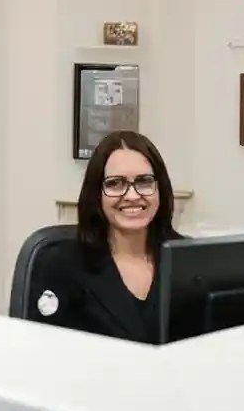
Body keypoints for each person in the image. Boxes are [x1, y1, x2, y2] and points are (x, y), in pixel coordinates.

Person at [26, 130, 182, 344]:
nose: (132, 195)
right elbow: (42, 352)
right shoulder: (59, 264)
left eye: (144, 181)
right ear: (96, 193)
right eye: (115, 183)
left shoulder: (189, 261)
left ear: (160, 189)